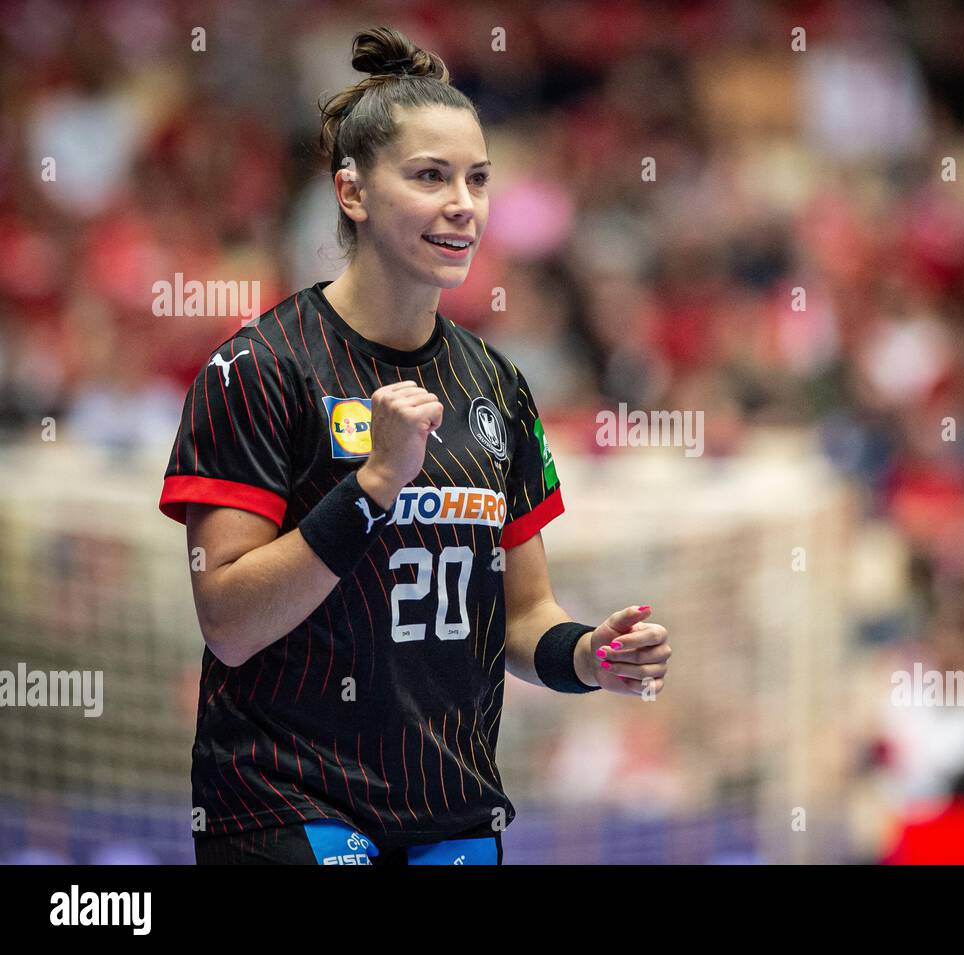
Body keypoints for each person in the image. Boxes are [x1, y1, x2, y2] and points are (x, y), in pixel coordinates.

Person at [157, 26, 671, 865]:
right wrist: (371, 487)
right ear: (352, 193)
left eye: (477, 178)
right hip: (286, 799)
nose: (463, 202)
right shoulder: (257, 368)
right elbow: (230, 623)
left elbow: (522, 614)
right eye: (430, 176)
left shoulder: (497, 386)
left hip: (451, 808)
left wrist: (587, 655)